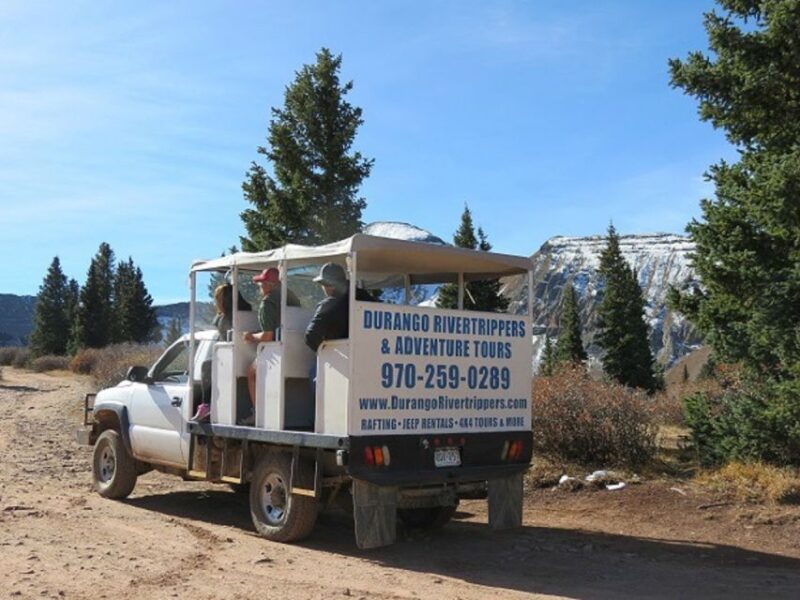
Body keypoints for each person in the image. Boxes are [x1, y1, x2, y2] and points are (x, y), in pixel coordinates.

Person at [242, 267, 300, 424]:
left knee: (252, 373)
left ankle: (258, 413)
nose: (260, 287)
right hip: (297, 351)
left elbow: (267, 336)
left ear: (269, 284)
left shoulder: (268, 302)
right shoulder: (291, 296)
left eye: (261, 284)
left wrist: (250, 336)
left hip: (277, 352)